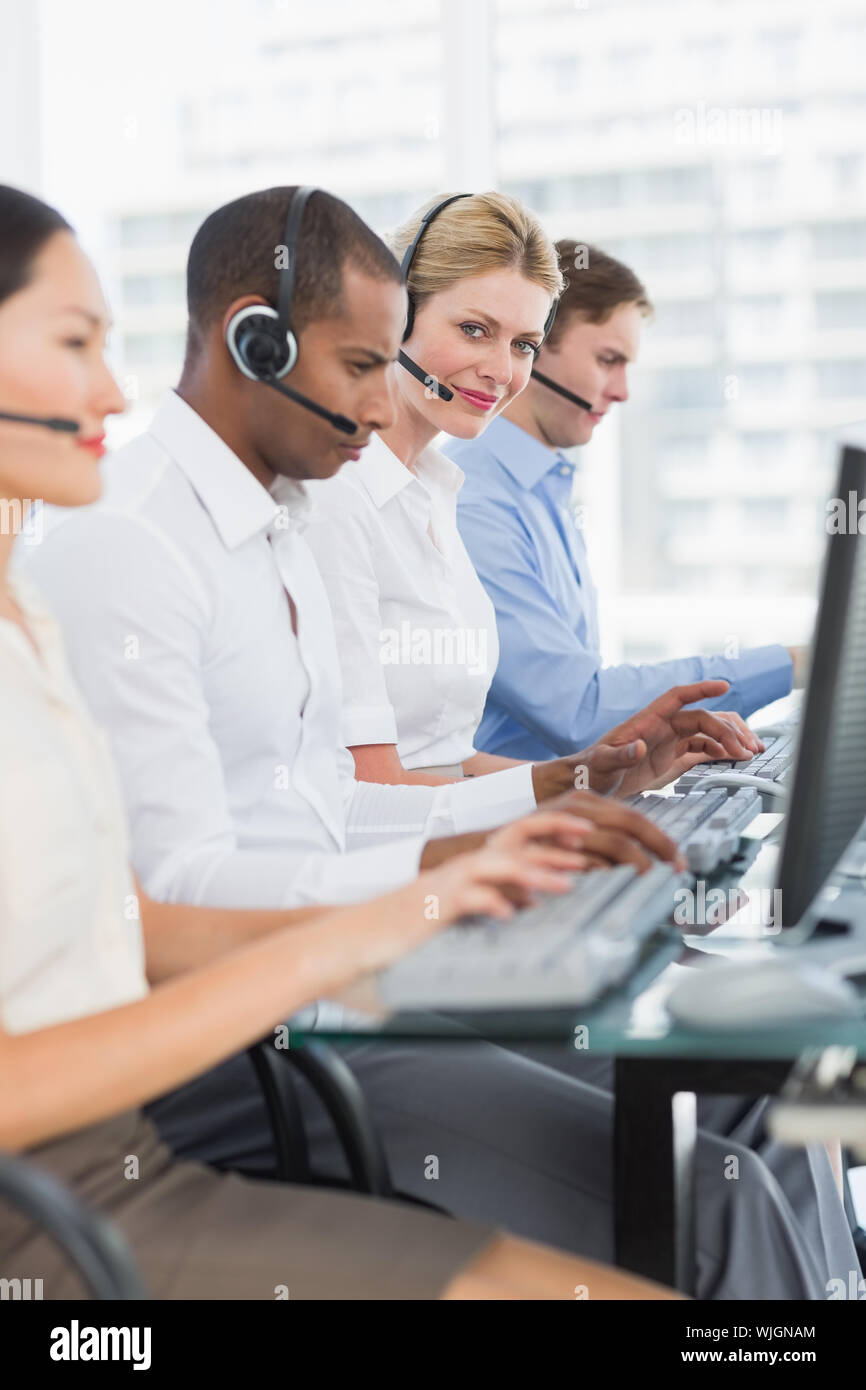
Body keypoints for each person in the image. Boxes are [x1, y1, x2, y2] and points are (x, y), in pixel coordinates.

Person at [26, 186, 857, 1299]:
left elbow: (334, 799)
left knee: (763, 1103)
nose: (381, 409)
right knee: (710, 1186)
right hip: (254, 1044)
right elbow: (176, 892)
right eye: (363, 366)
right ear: (253, 339)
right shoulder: (131, 545)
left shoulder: (286, 521)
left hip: (323, 991)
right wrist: (429, 890)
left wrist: (526, 819)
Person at [303, 191, 762, 797]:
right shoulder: (337, 496)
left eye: (522, 345)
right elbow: (373, 793)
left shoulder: (434, 493)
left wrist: (607, 778)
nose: (501, 371)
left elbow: (448, 761)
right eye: (474, 330)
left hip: (443, 856)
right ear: (393, 313)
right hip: (386, 875)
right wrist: (550, 803)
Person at [446, 240, 803, 760]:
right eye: (608, 360)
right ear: (531, 348)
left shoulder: (544, 491)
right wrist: (795, 663)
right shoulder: (473, 501)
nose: (622, 391)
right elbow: (580, 709)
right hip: (509, 823)